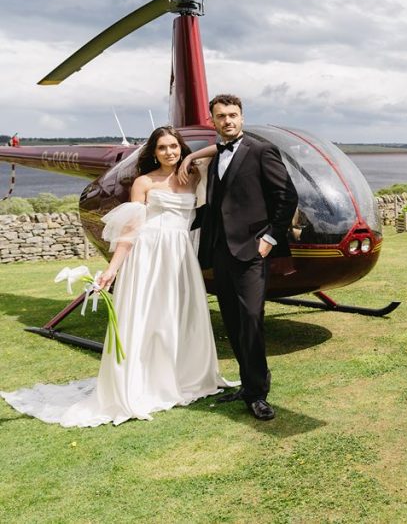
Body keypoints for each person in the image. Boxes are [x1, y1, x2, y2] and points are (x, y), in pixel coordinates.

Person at [0, 126, 231, 427]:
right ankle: (143, 383)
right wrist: (113, 268)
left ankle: (181, 377)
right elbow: (130, 229)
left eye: (174, 146)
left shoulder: (194, 174)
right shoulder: (143, 182)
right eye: (162, 148)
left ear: (181, 148)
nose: (169, 152)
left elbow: (224, 147)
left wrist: (192, 159)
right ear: (153, 152)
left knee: (179, 315)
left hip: (180, 255)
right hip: (148, 254)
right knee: (146, 317)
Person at [182, 94, 297, 421]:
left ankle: (258, 393)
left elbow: (286, 196)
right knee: (232, 321)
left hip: (251, 251)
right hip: (221, 252)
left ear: (242, 118)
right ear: (213, 121)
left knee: (250, 320)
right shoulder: (217, 154)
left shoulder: (261, 151)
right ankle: (247, 386)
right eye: (221, 116)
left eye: (233, 115)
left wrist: (271, 237)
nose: (228, 121)